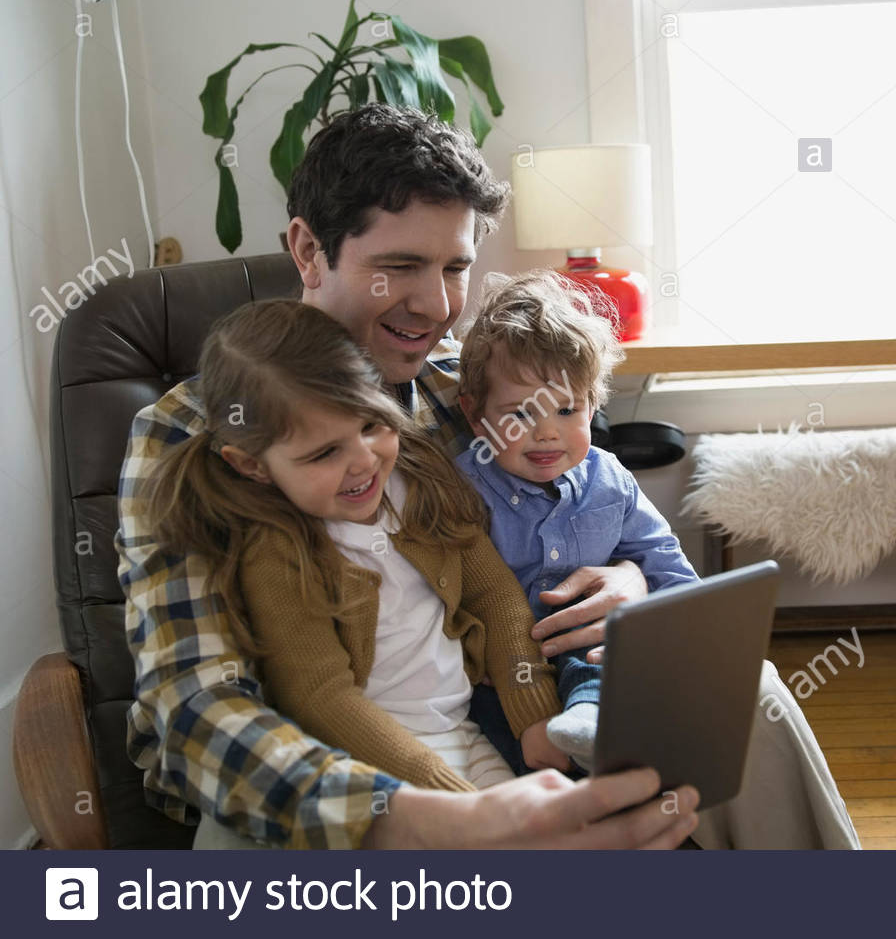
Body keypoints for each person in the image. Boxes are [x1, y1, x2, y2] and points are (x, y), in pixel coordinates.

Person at [118, 103, 855, 849]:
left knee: (748, 694)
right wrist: (444, 818)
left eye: (456, 267)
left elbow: (584, 508)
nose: (437, 307)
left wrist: (630, 578)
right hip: (315, 767)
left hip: (502, 704)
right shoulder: (198, 431)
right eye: (399, 267)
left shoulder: (465, 385)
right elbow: (194, 706)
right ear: (309, 250)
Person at [146, 298, 576, 802]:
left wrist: (535, 713)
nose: (363, 462)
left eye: (371, 426)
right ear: (252, 465)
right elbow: (319, 696)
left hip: (464, 732)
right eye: (324, 452)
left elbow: (494, 594)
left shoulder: (418, 481)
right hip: (361, 772)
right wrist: (440, 791)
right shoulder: (278, 550)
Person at [452, 271, 698, 770]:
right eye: (521, 414)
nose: (547, 434)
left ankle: (591, 728)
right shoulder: (461, 489)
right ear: (476, 417)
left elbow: (667, 569)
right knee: (509, 741)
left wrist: (674, 630)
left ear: (594, 405)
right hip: (503, 671)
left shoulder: (610, 479)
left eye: (567, 409)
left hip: (595, 655)